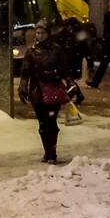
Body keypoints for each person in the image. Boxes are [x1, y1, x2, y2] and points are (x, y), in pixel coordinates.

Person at [19, 20, 68, 164]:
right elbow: (25, 71)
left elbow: (65, 69)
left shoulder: (57, 50)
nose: (40, 35)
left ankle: (52, 153)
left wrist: (66, 82)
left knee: (51, 122)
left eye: (43, 32)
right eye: (38, 33)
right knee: (42, 123)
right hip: (37, 91)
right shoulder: (31, 51)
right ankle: (48, 151)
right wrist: (23, 87)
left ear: (48, 33)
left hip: (53, 89)